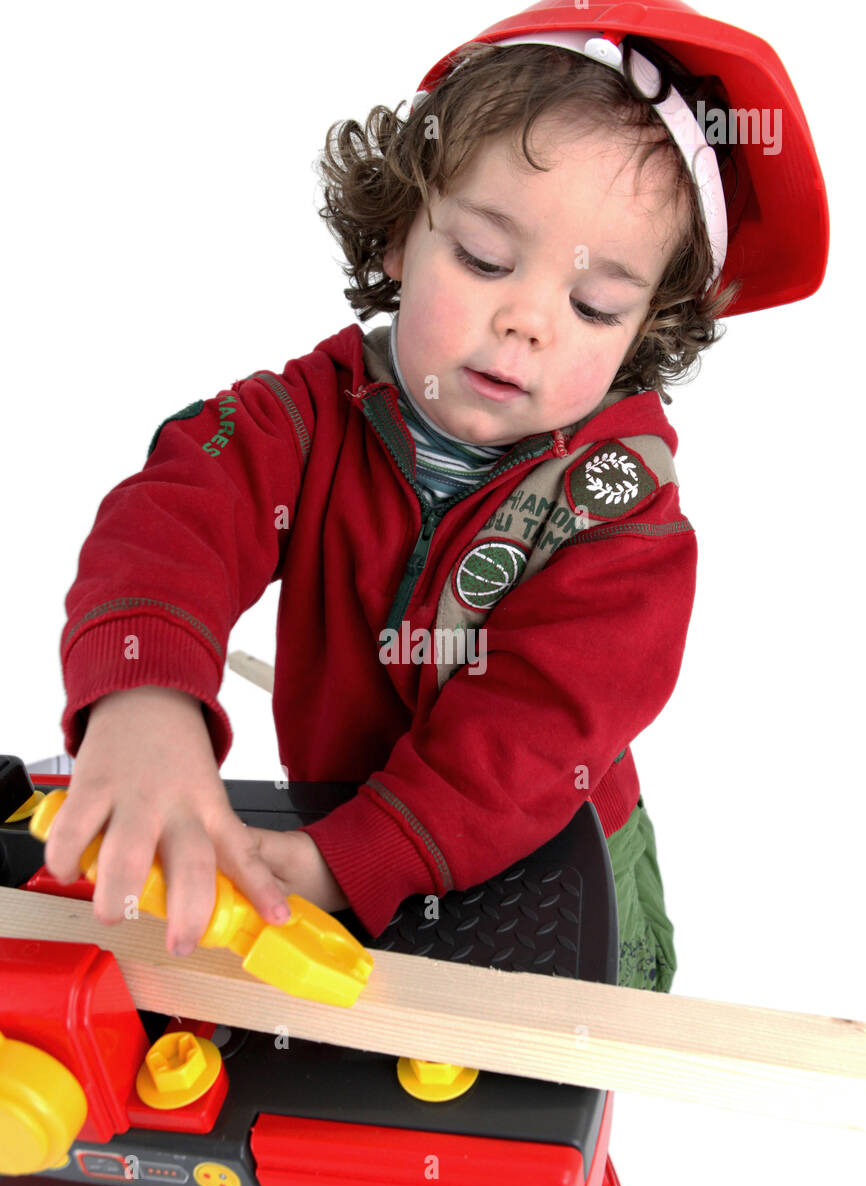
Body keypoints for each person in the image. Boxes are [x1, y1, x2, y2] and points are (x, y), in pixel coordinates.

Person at [45, 2, 828, 990]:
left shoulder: (625, 520)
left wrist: (351, 858)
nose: (528, 319)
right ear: (395, 235)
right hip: (332, 836)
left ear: (644, 333)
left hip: (553, 864)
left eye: (595, 306)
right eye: (485, 258)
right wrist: (142, 700)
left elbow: (532, 738)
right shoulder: (302, 416)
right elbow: (178, 509)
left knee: (535, 1123)